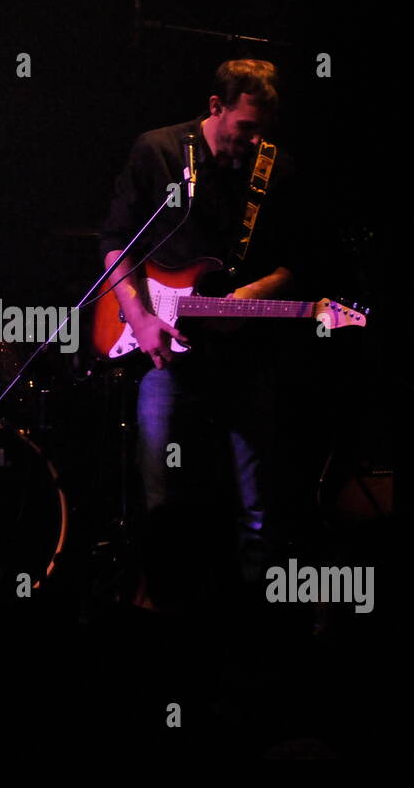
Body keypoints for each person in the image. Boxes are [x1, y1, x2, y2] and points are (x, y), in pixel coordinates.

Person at [99, 59, 309, 547]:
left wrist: (250, 296)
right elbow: (115, 242)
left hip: (245, 360)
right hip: (167, 355)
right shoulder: (160, 151)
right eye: (246, 127)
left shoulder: (276, 169)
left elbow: (294, 264)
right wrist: (141, 318)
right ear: (216, 107)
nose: (255, 141)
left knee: (256, 506)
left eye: (263, 129)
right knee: (162, 498)